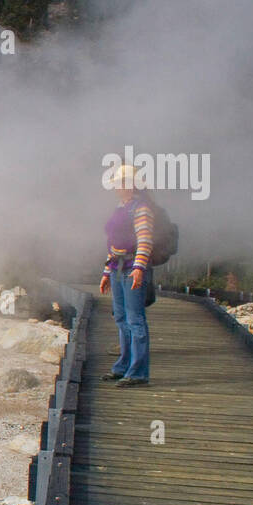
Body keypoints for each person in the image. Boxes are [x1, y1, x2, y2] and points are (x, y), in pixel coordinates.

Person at [98, 163, 154, 387]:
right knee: (121, 318)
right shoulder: (120, 207)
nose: (117, 188)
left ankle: (138, 372)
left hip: (131, 269)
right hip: (117, 268)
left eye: (121, 183)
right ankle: (123, 366)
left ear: (131, 185)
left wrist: (139, 268)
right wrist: (106, 271)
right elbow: (112, 243)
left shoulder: (141, 209)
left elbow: (145, 240)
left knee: (135, 319)